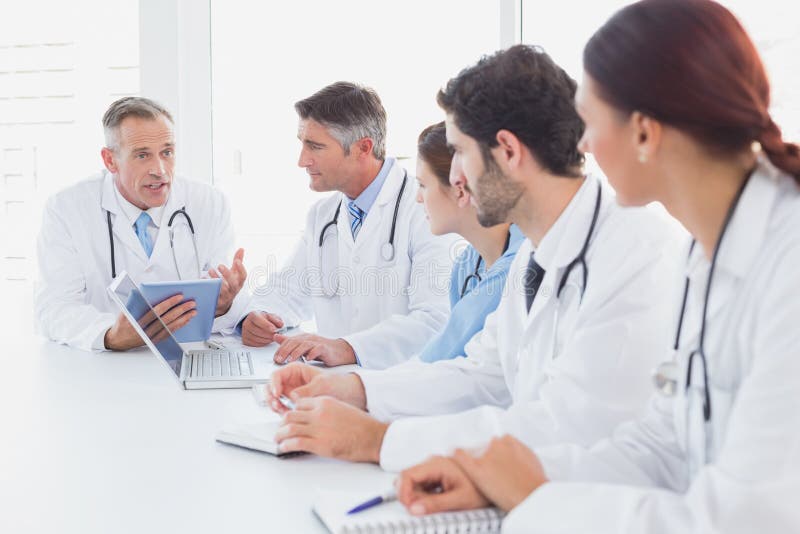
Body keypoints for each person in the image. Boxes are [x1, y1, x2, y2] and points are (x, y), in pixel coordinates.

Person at [395, 2, 800, 532]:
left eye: (590, 121)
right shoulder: (703, 256)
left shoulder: (783, 263)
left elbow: (747, 518)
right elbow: (663, 443)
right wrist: (509, 479)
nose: (580, 145)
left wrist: (537, 498)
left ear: (644, 132)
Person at [264, 45, 683, 468]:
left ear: (508, 151)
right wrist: (351, 389)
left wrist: (379, 441)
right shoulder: (534, 256)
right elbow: (483, 373)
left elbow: (566, 425)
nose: (455, 177)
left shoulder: (634, 255)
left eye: (459, 151)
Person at [238, 82, 455, 369]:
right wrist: (256, 316)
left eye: (315, 146)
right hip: (333, 385)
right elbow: (288, 290)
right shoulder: (323, 215)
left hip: (401, 389)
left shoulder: (426, 208)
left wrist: (348, 347)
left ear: (362, 148)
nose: (302, 160)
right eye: (302, 143)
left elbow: (435, 320)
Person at [35, 96, 248, 352]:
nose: (160, 170)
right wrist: (110, 334)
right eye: (142, 155)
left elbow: (225, 305)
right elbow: (55, 308)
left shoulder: (210, 202)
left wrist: (225, 304)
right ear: (110, 160)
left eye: (167, 152)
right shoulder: (67, 208)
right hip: (104, 367)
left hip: (189, 355)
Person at [415, 122, 523, 362]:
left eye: (423, 185)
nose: (418, 198)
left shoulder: (520, 262)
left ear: (459, 189)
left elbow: (441, 354)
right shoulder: (466, 265)